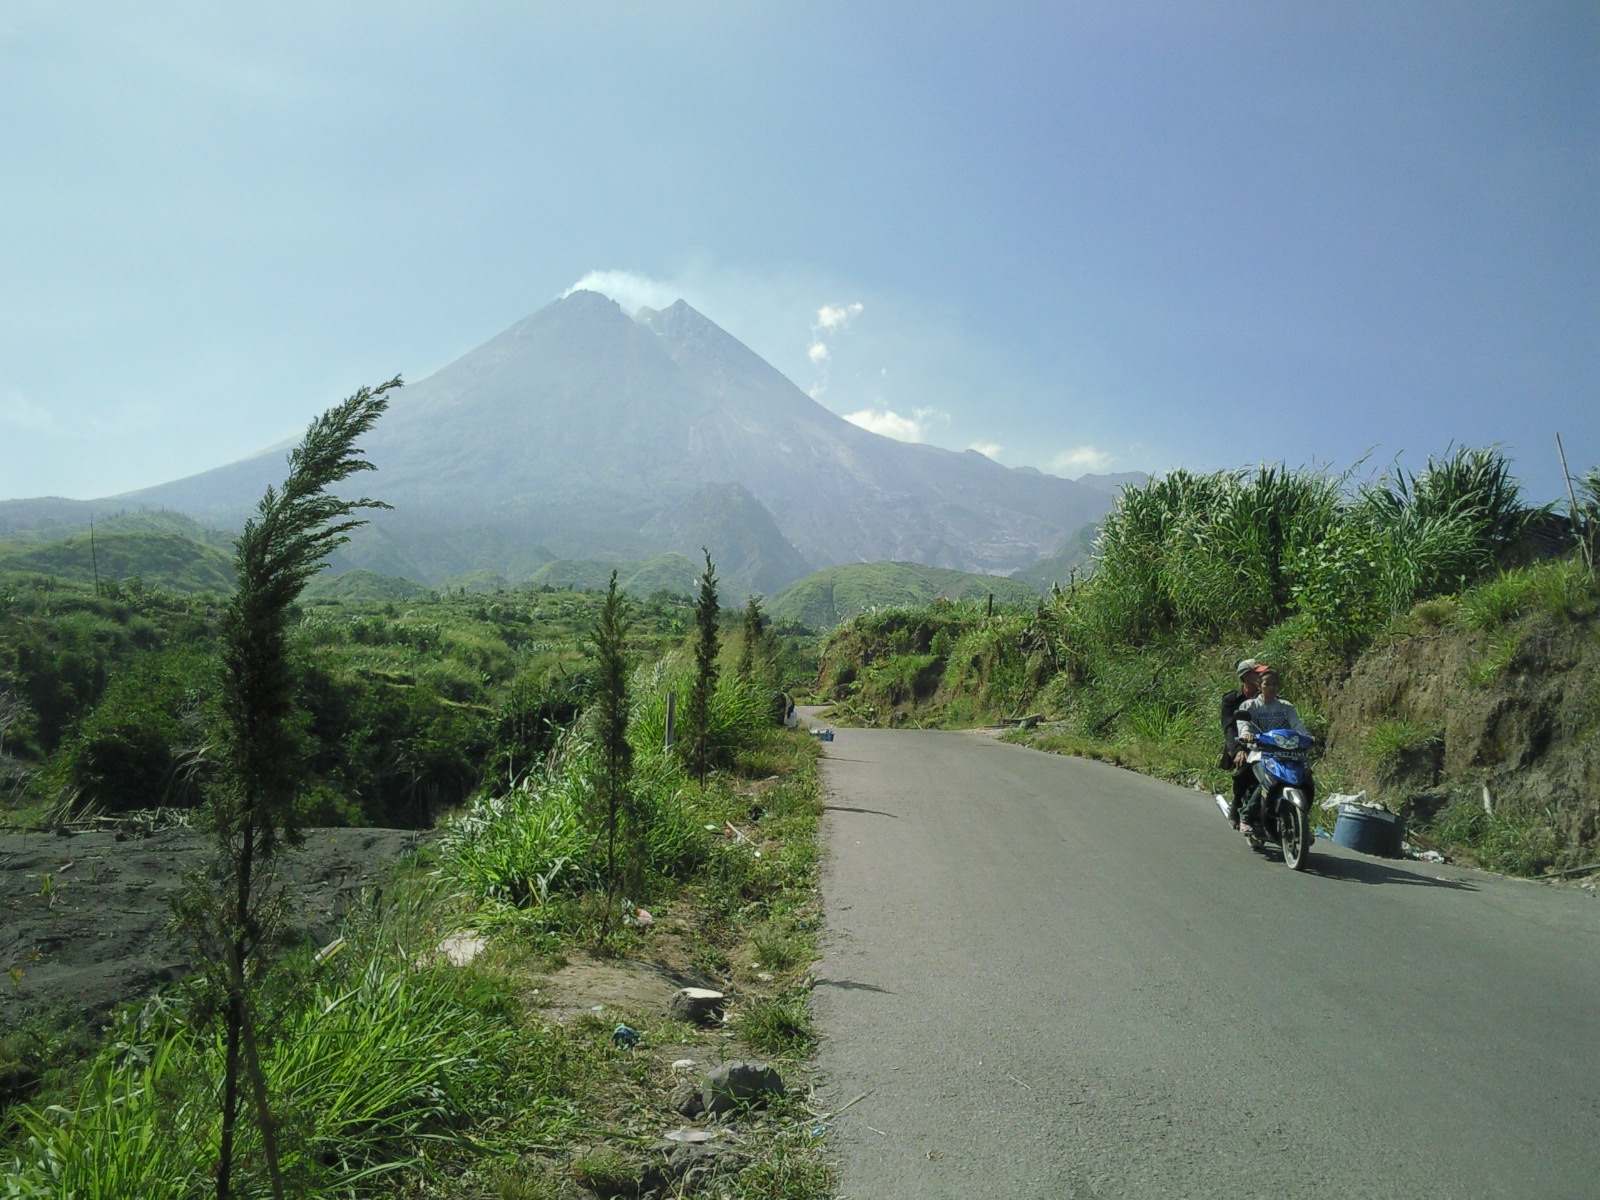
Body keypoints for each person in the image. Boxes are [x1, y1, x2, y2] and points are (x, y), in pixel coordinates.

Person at [1235, 668, 1316, 838]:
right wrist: (1246, 735)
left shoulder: (1286, 706)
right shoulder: (1250, 706)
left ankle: (1302, 820)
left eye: (1274, 684)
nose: (1271, 687)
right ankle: (1247, 816)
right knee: (1269, 782)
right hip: (1261, 753)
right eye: (1267, 684)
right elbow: (1244, 725)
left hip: (1288, 753)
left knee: (1306, 781)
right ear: (1260, 686)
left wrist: (1308, 737)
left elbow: (1297, 725)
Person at [1218, 658, 1263, 828]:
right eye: (1257, 673)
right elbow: (1229, 727)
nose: (1261, 676)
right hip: (1240, 743)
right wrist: (1237, 749)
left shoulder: (1268, 696)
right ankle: (1237, 805)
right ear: (1245, 676)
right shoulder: (1231, 700)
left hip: (1265, 744)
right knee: (1244, 769)